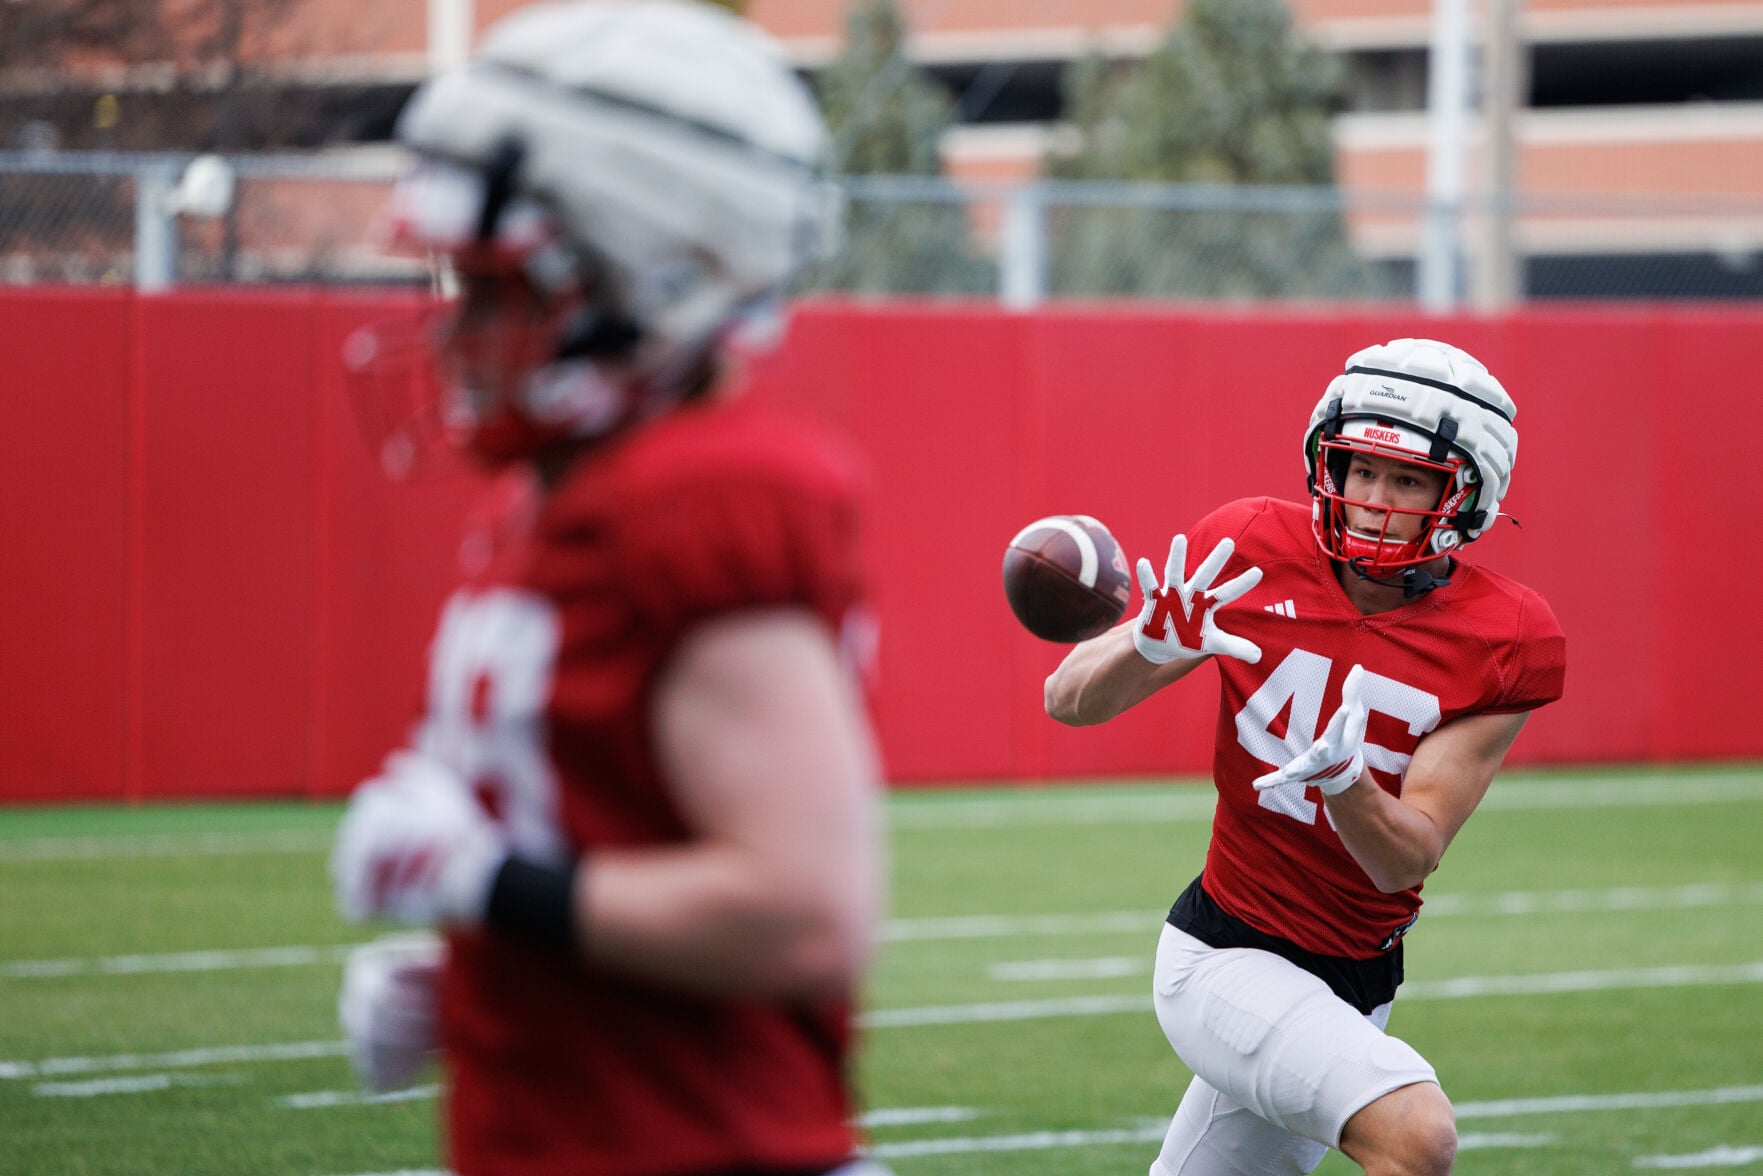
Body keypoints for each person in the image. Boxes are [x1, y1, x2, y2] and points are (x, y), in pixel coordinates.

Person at [326, 5, 889, 1176]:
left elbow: (804, 911)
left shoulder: (701, 499)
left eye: (494, 293)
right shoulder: (556, 497)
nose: (452, 339)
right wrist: (484, 975)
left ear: (634, 280)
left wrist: (484, 885)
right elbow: (618, 835)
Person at [1045, 337, 1567, 1176]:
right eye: (1359, 469)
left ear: (1464, 496)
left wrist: (1346, 784)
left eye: (1406, 480)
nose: (1372, 499)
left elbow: (1404, 859)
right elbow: (1066, 701)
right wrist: (1143, 646)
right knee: (1414, 1133)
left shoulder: (1507, 636)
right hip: (1225, 953)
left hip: (1359, 980)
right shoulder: (1250, 547)